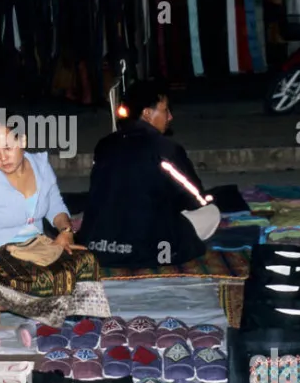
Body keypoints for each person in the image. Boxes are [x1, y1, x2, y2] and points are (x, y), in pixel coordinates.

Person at [0, 125, 97, 347]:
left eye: (8, 148)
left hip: (35, 248)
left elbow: (55, 207)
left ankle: (37, 321)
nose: (2, 158)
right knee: (36, 279)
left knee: (85, 262)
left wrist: (65, 231)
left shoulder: (41, 167)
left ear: (22, 141)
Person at [77, 80, 221, 269]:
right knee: (211, 213)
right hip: (147, 247)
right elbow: (195, 199)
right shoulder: (166, 149)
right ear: (146, 113)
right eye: (165, 110)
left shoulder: (104, 145)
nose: (170, 117)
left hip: (99, 244)